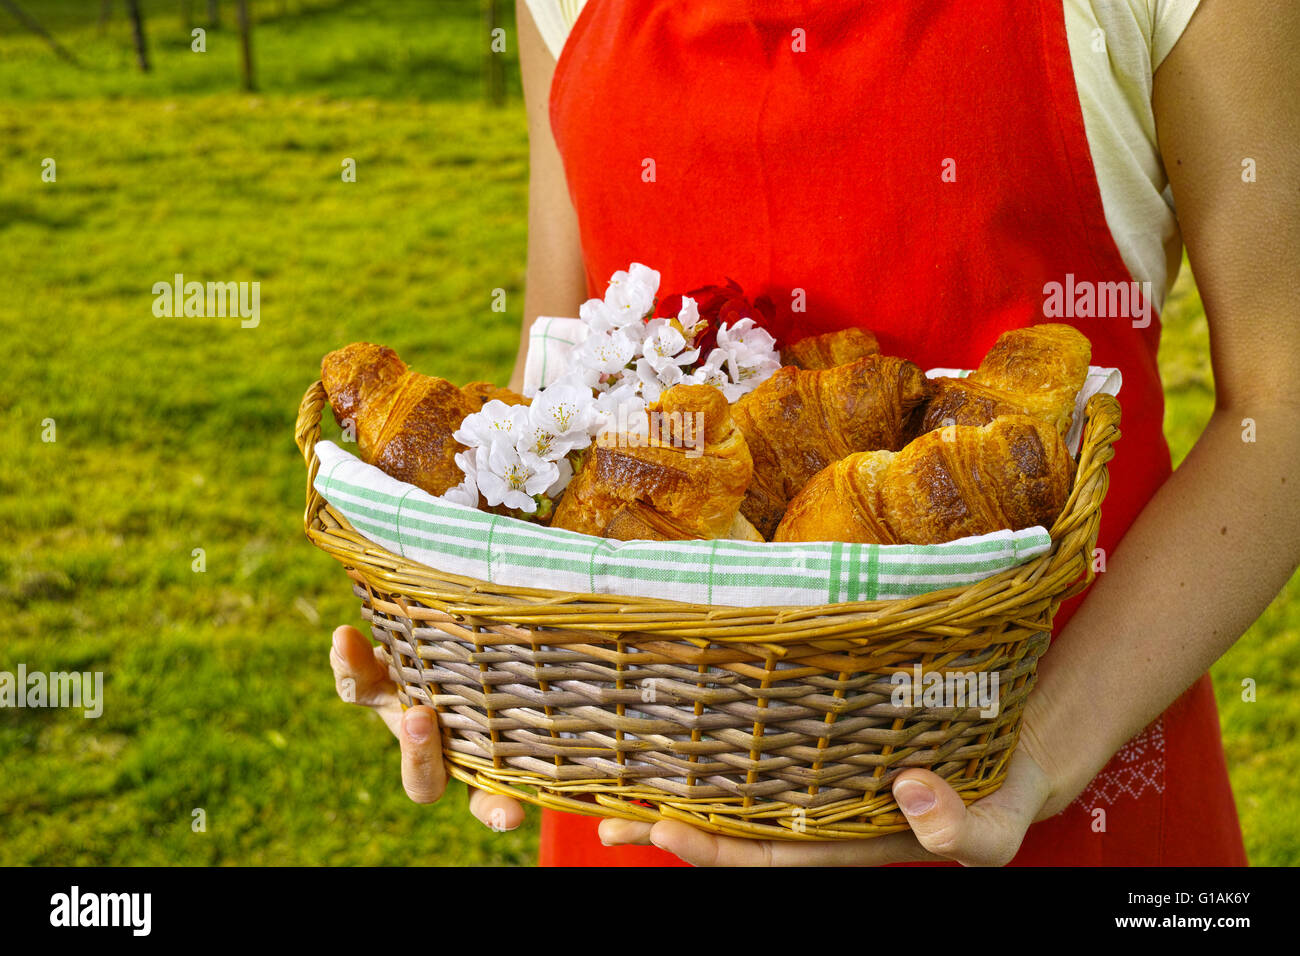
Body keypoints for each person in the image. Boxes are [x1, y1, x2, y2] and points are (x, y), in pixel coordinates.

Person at [329, 0, 1299, 866]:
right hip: (640, 794)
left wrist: (1034, 754)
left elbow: (1280, 398)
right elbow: (558, 375)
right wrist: (476, 655)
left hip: (1049, 776)